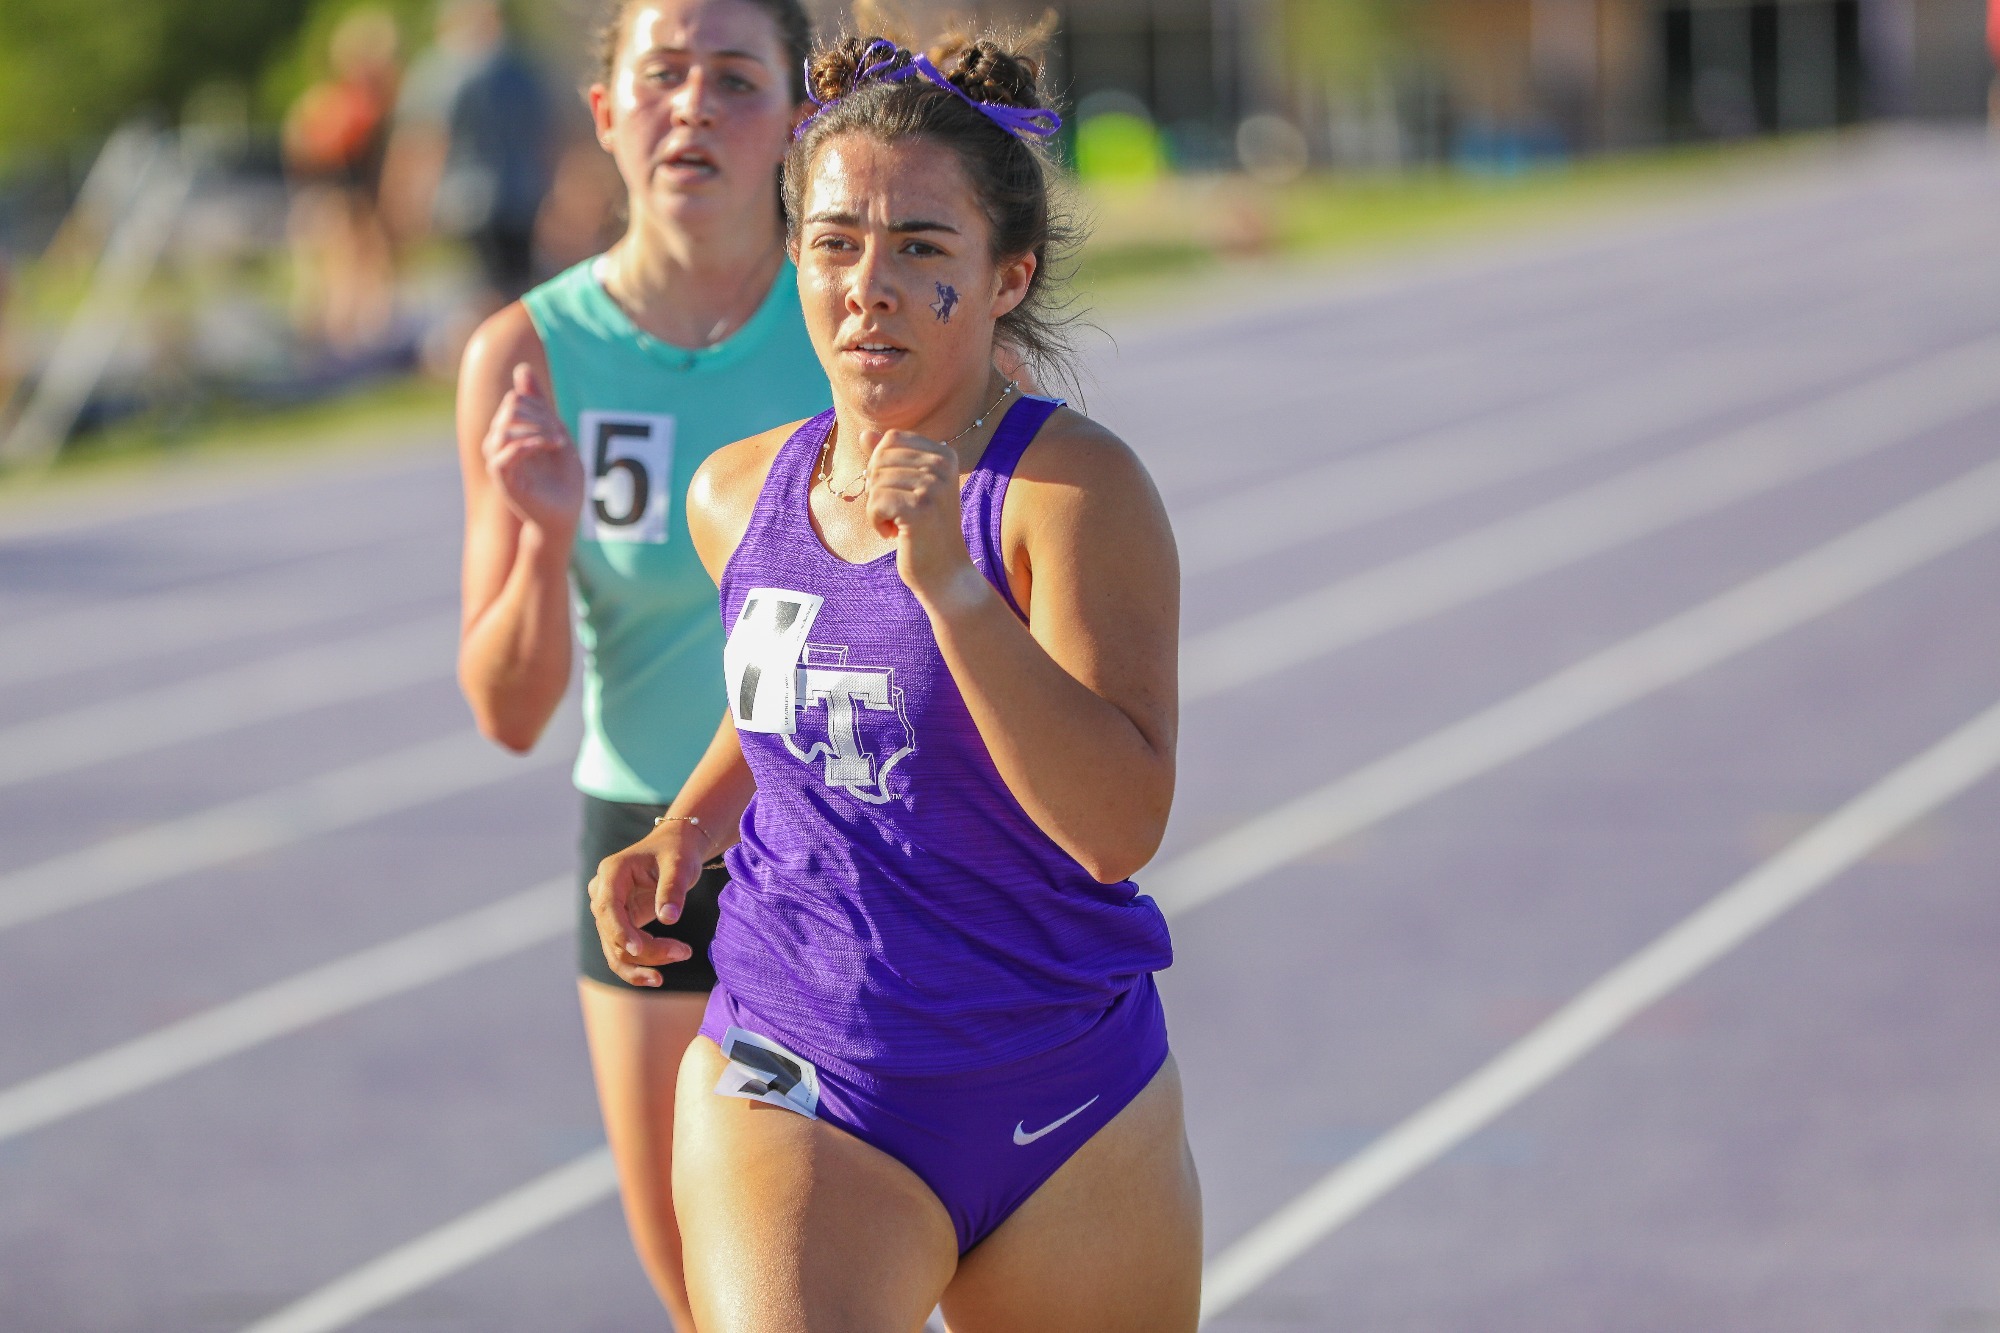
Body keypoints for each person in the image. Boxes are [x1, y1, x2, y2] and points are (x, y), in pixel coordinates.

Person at [591, 30, 1202, 1332]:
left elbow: (1116, 826)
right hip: (807, 1066)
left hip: (1070, 1098)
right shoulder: (734, 493)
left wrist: (955, 588)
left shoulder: (1069, 496)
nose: (869, 284)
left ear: (1005, 277)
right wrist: (686, 827)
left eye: (922, 246)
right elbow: (791, 685)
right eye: (834, 241)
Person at [451, 1, 821, 1327]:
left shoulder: (854, 319)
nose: (696, 107)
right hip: (646, 857)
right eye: (662, 75)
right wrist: (543, 544)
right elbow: (506, 711)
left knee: (851, 1270)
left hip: (844, 847)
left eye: (737, 79)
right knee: (706, 1294)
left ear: (794, 117)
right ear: (605, 115)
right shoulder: (528, 354)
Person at [282, 6, 400, 352]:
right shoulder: (339, 104)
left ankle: (354, 344)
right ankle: (331, 346)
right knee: (335, 277)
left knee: (364, 276)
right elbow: (305, 146)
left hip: (357, 200)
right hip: (338, 199)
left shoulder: (380, 103)